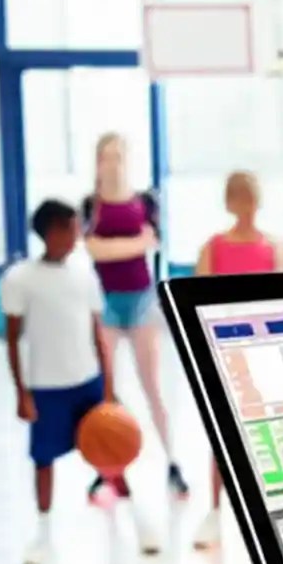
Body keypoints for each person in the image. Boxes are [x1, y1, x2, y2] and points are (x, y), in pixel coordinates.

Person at [3, 200, 160, 564]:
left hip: (88, 384)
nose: (78, 235)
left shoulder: (85, 276)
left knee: (113, 450)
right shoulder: (19, 279)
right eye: (71, 228)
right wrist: (21, 393)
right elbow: (12, 340)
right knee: (43, 462)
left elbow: (97, 334)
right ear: (51, 231)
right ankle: (42, 536)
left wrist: (107, 385)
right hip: (46, 388)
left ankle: (139, 521)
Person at [82, 133, 190, 504]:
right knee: (107, 392)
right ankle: (108, 470)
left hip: (142, 302)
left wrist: (120, 247)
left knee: (152, 388)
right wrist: (132, 244)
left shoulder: (145, 201)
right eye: (106, 156)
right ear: (98, 161)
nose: (113, 162)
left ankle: (173, 464)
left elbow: (153, 242)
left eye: (118, 155)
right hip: (106, 304)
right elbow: (94, 249)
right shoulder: (90, 205)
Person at [192, 171, 283, 550]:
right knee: (222, 436)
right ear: (229, 202)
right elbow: (197, 300)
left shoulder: (271, 248)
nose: (244, 205)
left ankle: (271, 519)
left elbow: (280, 303)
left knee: (268, 437)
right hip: (222, 349)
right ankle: (214, 513)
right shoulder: (212, 247)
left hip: (260, 353)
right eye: (237, 197)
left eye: (250, 197)